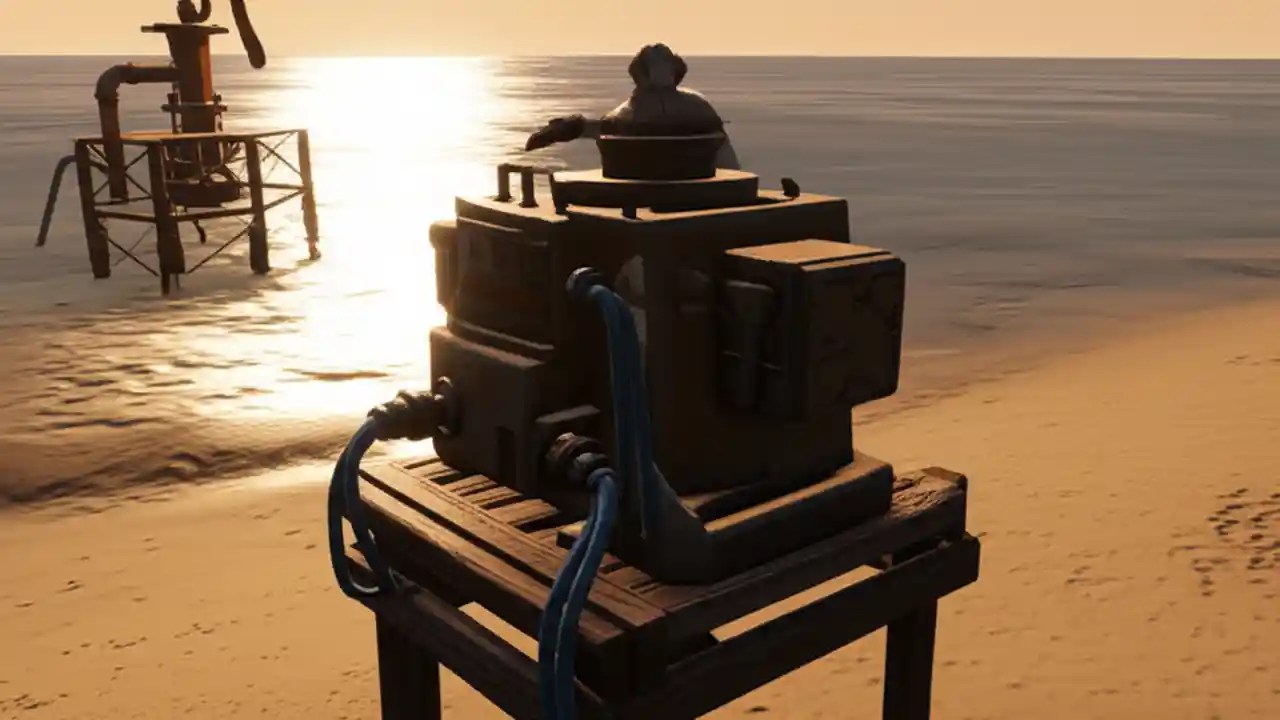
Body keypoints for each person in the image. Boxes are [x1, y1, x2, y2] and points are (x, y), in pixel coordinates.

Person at [524, 43, 741, 170]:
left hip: (639, 189)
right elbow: (730, 167)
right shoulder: (701, 110)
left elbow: (593, 127)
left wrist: (566, 127)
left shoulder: (627, 115)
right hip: (703, 191)